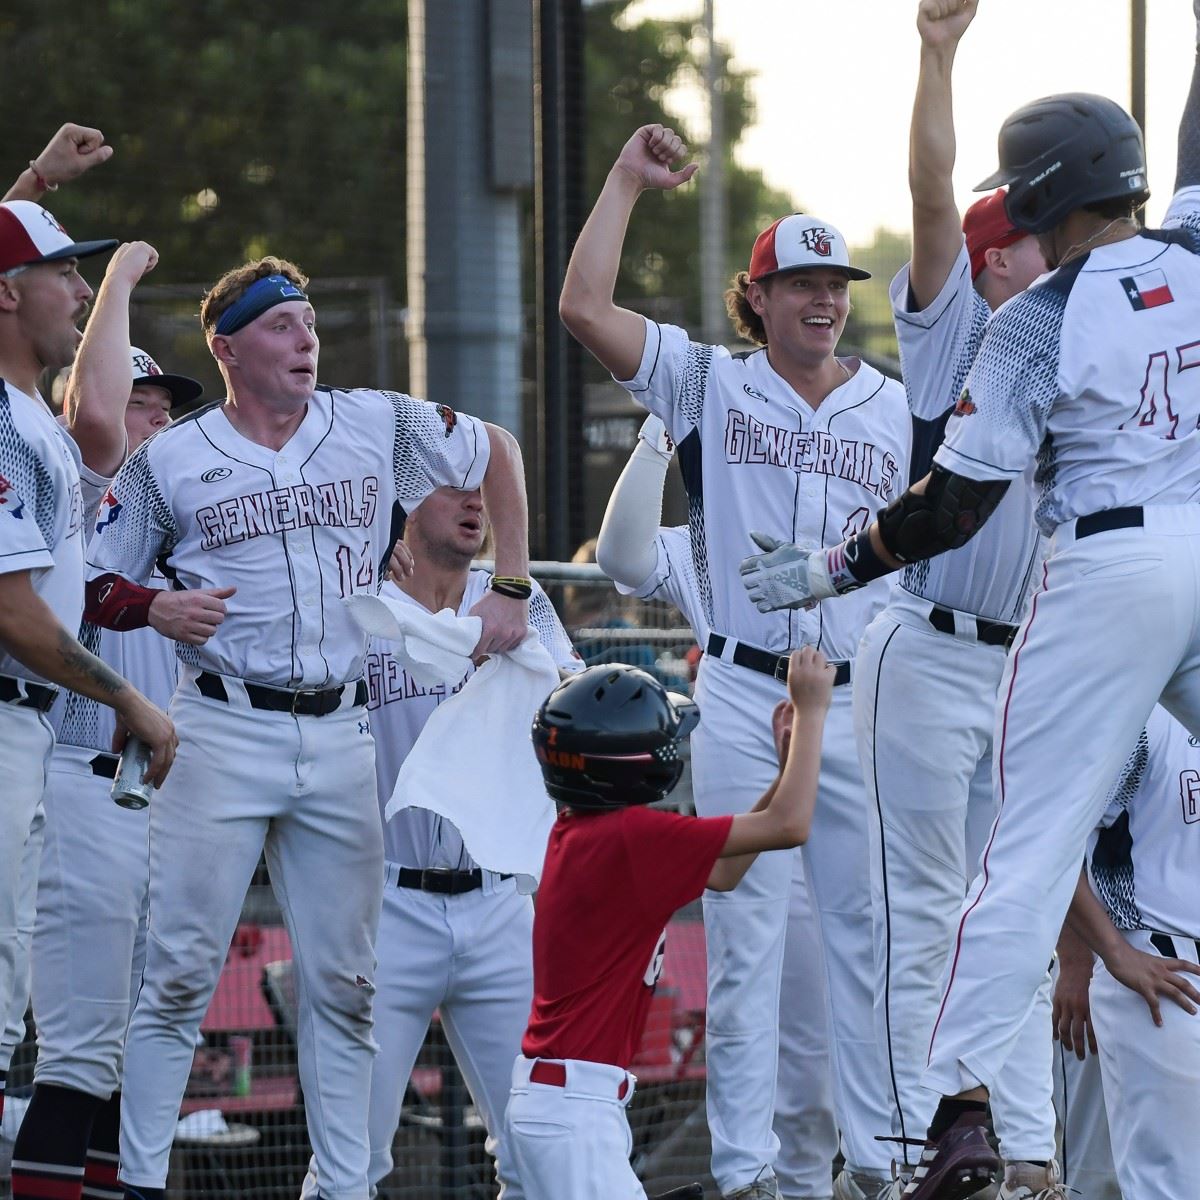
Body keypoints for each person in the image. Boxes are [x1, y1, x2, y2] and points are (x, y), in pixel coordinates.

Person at [739, 52, 1200, 1200]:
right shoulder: (1188, 254)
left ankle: (956, 1116)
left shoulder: (1039, 318)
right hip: (1115, 584)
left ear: (1039, 195)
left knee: (1021, 865)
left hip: (1105, 578)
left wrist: (835, 564)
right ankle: (969, 1141)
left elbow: (949, 509)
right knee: (958, 888)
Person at [82, 255, 533, 1200]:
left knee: (345, 988)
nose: (306, 340)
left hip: (339, 731)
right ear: (229, 348)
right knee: (176, 977)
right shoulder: (172, 458)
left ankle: (346, 1191)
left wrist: (516, 582)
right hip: (222, 727)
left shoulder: (369, 420)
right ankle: (137, 1183)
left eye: (311, 323)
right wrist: (151, 610)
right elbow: (89, 578)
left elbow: (492, 443)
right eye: (282, 326)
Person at [560, 123, 909, 1200]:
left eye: (834, 281)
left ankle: (885, 1164)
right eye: (798, 281)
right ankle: (749, 1174)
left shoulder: (897, 406)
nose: (822, 298)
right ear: (754, 297)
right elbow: (583, 308)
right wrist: (622, 179)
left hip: (856, 697)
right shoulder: (709, 381)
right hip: (747, 679)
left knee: (869, 942)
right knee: (748, 941)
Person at [852, 4, 1061, 1195]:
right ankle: (917, 1150)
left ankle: (1023, 1156)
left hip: (1026, 663)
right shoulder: (959, 334)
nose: (1063, 250)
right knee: (926, 909)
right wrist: (937, 56)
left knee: (1017, 919)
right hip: (926, 647)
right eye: (1040, 238)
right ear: (998, 261)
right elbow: (934, 190)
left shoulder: (1084, 343)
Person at [298, 484, 580, 1200]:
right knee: (349, 1162)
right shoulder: (357, 603)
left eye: (482, 490)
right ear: (403, 509)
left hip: (499, 906)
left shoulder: (513, 597)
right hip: (385, 904)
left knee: (540, 1150)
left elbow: (571, 700)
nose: (475, 503)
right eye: (450, 488)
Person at [596, 413, 838, 1200]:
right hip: (742, 705)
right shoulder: (703, 534)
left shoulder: (848, 511)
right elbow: (621, 556)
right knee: (746, 959)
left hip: (845, 707)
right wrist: (658, 438)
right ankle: (746, 1176)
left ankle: (823, 1173)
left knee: (828, 985)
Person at [10, 240, 204, 1200]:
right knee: (77, 1047)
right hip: (69, 774)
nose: (160, 418)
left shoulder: (174, 514)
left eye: (170, 407)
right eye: (143, 401)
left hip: (133, 799)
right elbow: (67, 590)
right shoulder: (59, 470)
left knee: (117, 1053)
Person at [506, 650, 834, 1200]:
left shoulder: (589, 831)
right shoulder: (631, 838)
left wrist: (783, 773)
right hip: (575, 1114)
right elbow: (792, 825)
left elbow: (726, 872)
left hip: (560, 1104)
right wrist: (813, 713)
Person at [1063, 707, 1200, 1199]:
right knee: (1169, 1187)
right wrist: (1105, 955)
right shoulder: (1141, 713)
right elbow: (1051, 842)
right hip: (1162, 973)